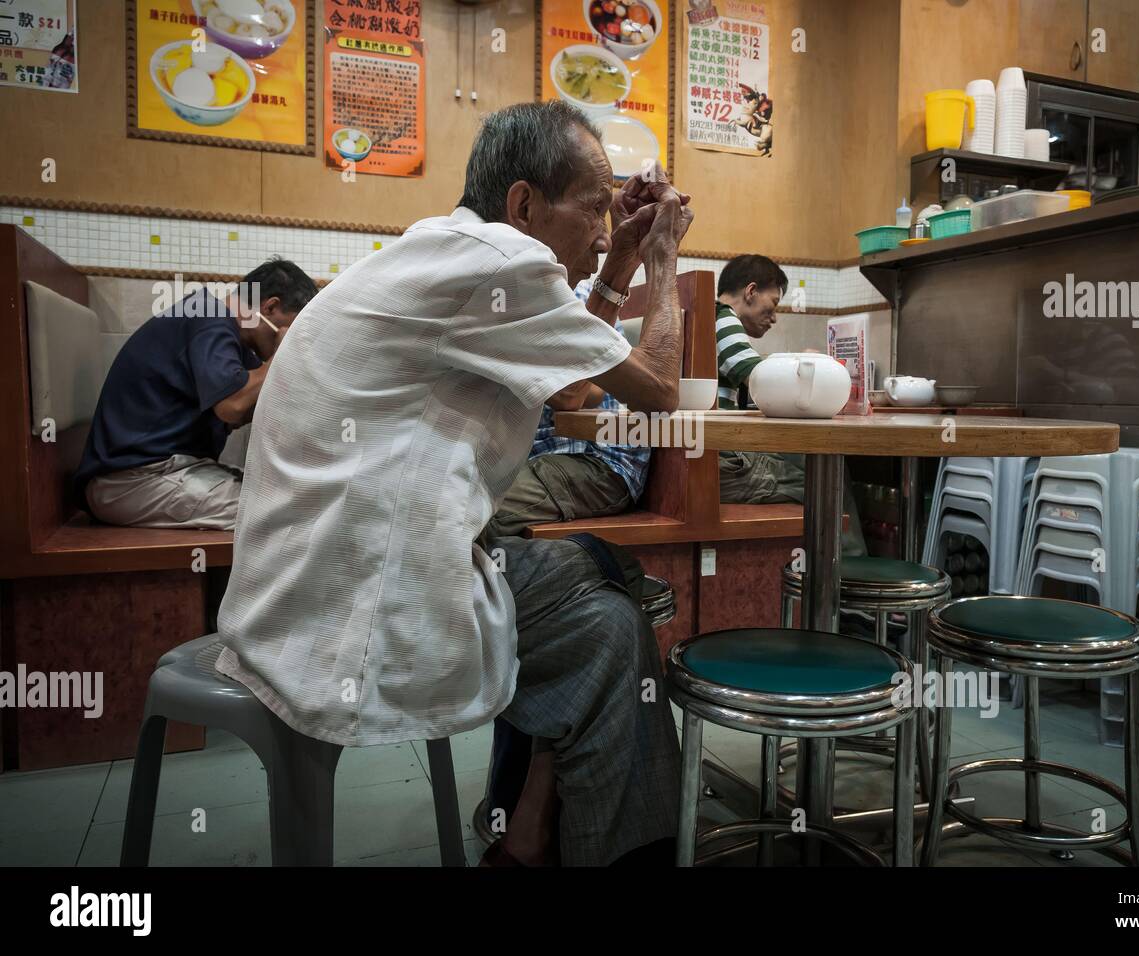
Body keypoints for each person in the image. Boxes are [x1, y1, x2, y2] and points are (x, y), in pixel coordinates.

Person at [215, 101, 693, 867]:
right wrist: (664, 259)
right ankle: (556, 835)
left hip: (298, 576)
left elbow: (570, 392)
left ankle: (527, 828)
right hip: (352, 594)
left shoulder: (456, 255)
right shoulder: (503, 262)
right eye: (594, 209)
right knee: (609, 611)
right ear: (524, 204)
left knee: (603, 603)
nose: (606, 229)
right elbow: (662, 391)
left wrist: (615, 265)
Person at [74, 257, 316, 531]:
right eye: (292, 330)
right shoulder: (208, 315)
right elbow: (233, 406)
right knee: (287, 513)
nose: (287, 341)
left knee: (288, 497)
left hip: (161, 474)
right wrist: (282, 358)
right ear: (270, 307)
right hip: (129, 482)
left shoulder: (230, 340)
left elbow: (252, 408)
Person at [714, 254, 868, 555]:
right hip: (722, 465)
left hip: (714, 457)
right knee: (829, 478)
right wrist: (809, 364)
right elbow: (756, 376)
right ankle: (845, 573)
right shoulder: (721, 316)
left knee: (809, 461)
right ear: (750, 291)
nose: (774, 318)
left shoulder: (702, 315)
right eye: (772, 305)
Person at [485, 283, 650, 539]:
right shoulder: (508, 292)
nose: (601, 245)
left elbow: (585, 393)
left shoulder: (582, 298)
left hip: (595, 456)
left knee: (472, 513)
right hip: (536, 452)